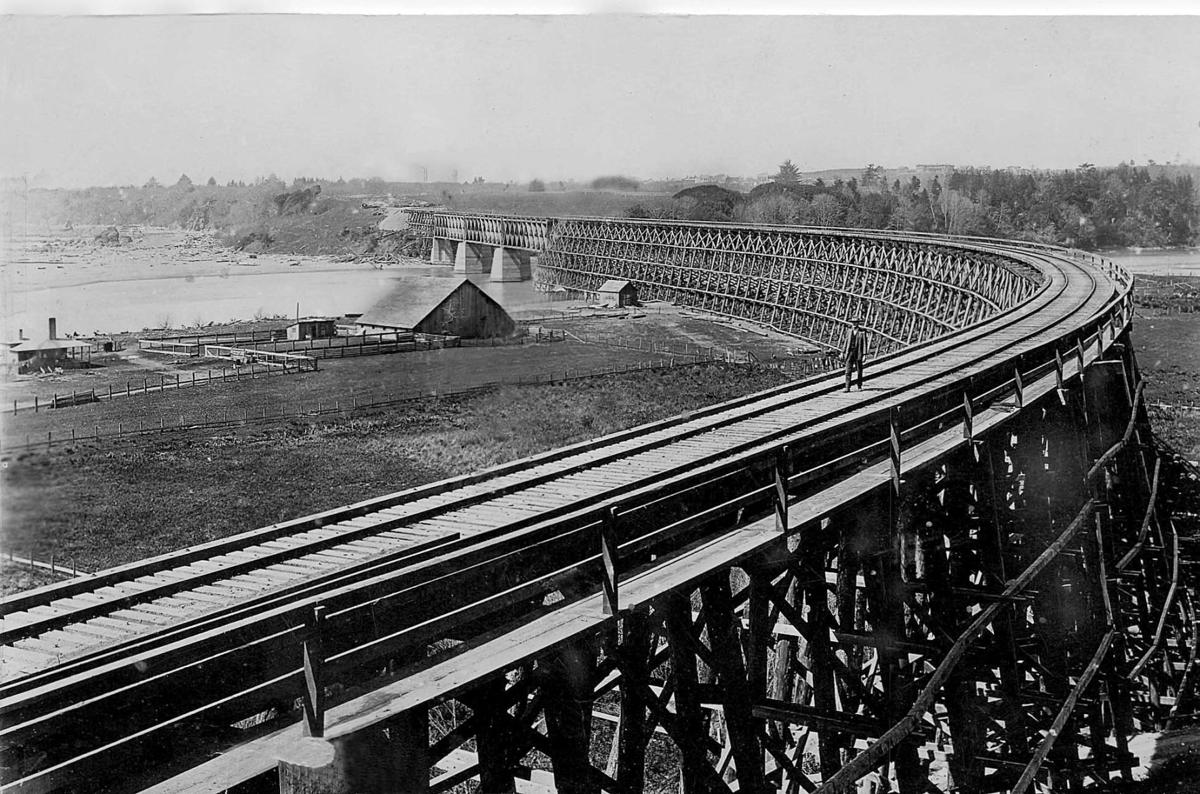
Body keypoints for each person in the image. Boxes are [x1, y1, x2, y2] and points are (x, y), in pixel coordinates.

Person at [842, 317, 866, 391]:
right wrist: (843, 352)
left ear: (858, 323)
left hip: (858, 353)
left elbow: (864, 344)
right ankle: (847, 387)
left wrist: (864, 355)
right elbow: (846, 342)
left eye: (856, 322)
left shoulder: (862, 332)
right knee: (848, 370)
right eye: (853, 322)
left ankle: (859, 386)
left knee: (859, 370)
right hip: (850, 353)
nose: (854, 324)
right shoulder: (849, 331)